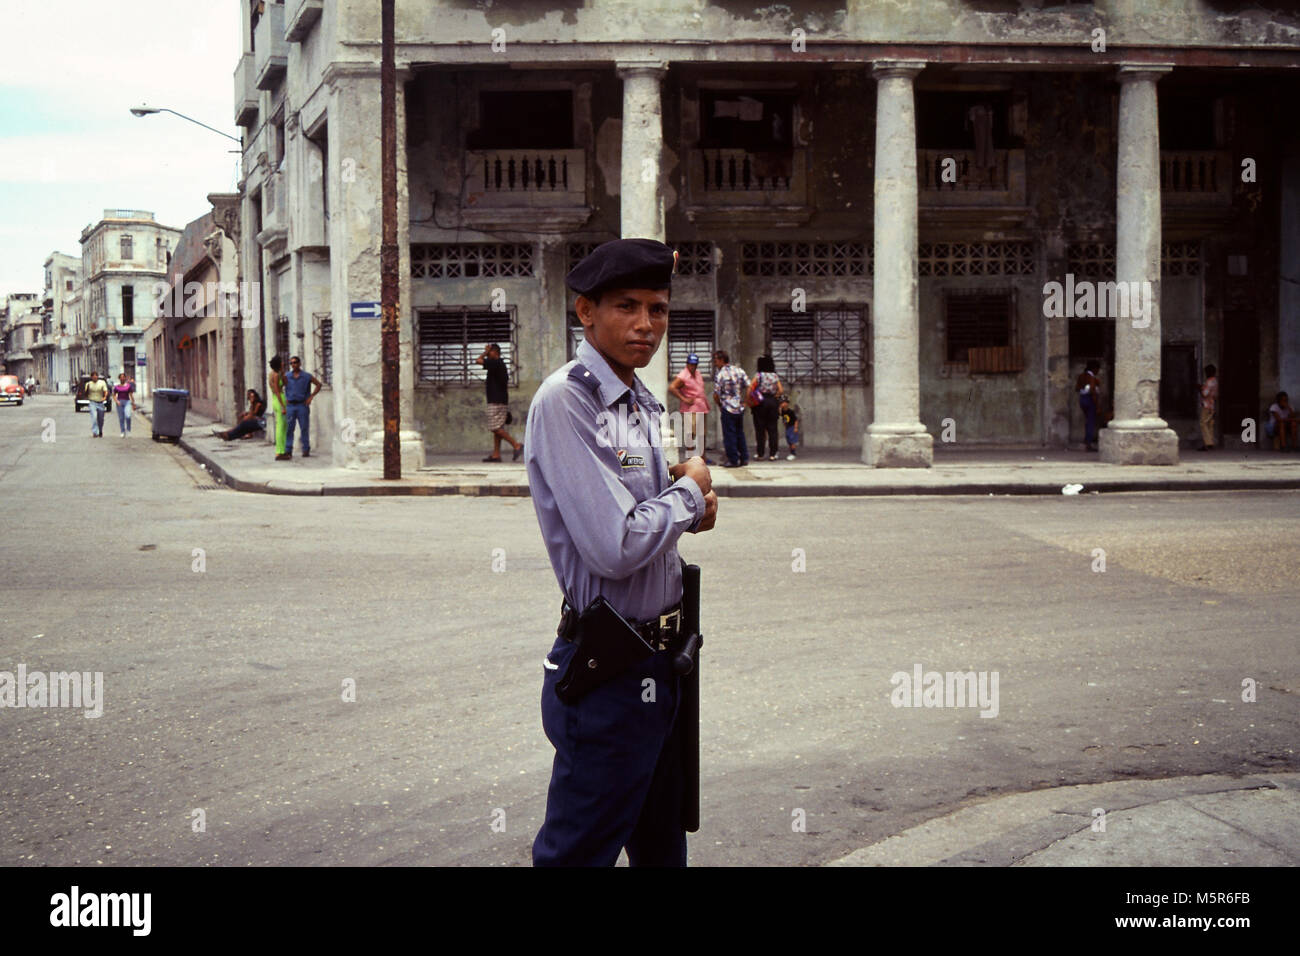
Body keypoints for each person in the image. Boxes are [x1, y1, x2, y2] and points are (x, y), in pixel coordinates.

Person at [525, 238, 717, 867]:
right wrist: (689, 494)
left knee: (663, 849)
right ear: (586, 311)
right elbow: (615, 544)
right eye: (627, 307)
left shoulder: (639, 399)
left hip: (663, 664)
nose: (645, 324)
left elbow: (642, 511)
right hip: (609, 668)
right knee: (578, 855)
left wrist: (687, 509)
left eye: (658, 309)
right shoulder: (568, 400)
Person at [476, 343, 522, 462]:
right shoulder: (498, 364)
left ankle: (516, 445)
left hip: (496, 401)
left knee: (494, 427)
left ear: (495, 352)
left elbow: (478, 360)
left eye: (490, 352)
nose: (488, 354)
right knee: (497, 428)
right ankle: (496, 455)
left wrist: (485, 352)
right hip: (498, 399)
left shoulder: (496, 363)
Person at [668, 352, 710, 462]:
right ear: (687, 364)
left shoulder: (698, 373)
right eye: (691, 364)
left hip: (701, 407)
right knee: (690, 433)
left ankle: (702, 457)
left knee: (702, 434)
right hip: (690, 409)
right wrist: (684, 399)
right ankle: (691, 458)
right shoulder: (683, 375)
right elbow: (672, 388)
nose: (693, 366)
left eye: (695, 364)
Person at [711, 349, 750, 468]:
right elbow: (749, 387)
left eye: (716, 360)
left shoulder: (720, 374)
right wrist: (745, 402)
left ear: (722, 360)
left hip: (727, 408)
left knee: (729, 435)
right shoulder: (739, 370)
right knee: (739, 433)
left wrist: (720, 405)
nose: (715, 363)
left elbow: (716, 394)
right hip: (739, 407)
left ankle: (733, 460)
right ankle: (744, 457)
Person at [282, 355, 322, 458]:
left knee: (304, 427)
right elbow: (279, 387)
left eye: (295, 362)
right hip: (290, 405)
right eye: (291, 363)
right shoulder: (287, 376)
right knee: (289, 428)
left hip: (302, 405)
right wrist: (284, 399)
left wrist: (311, 397)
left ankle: (305, 449)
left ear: (299, 364)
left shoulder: (306, 376)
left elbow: (318, 384)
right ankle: (288, 450)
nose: (293, 365)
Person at [750, 354, 784, 461]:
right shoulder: (774, 376)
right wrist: (775, 396)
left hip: (761, 402)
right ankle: (773, 454)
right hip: (772, 402)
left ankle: (760, 454)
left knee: (760, 429)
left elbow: (751, 387)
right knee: (772, 429)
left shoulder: (759, 375)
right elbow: (781, 390)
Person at [1076, 360, 1101, 452]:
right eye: (1097, 369)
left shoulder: (1081, 376)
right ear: (1094, 369)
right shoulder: (1092, 378)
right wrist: (1097, 405)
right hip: (1090, 400)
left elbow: (1077, 388)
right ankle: (1088, 443)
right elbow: (1092, 391)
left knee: (1087, 421)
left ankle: (1087, 441)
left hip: (1082, 399)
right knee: (1091, 421)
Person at [268, 355, 289, 461]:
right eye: (281, 362)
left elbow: (285, 382)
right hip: (279, 398)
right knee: (281, 426)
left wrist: (283, 372)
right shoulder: (275, 375)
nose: (283, 363)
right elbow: (277, 389)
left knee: (283, 425)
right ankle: (279, 451)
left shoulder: (274, 374)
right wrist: (282, 406)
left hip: (276, 399)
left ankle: (282, 450)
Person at [111, 372, 138, 438]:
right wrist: (116, 401)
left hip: (127, 402)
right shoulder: (116, 387)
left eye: (123, 377)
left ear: (125, 378)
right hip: (119, 402)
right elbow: (114, 395)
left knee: (128, 416)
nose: (122, 378)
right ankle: (122, 431)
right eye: (121, 377)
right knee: (121, 418)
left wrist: (133, 404)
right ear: (119, 378)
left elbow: (131, 395)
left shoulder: (128, 386)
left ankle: (128, 430)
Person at [84, 371, 109, 438]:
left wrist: (104, 397)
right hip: (92, 402)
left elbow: (105, 391)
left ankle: (100, 430)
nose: (95, 377)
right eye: (93, 376)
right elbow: (86, 393)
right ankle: (95, 432)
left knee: (101, 419)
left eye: (96, 376)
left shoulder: (102, 383)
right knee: (94, 417)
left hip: (100, 402)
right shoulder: (88, 384)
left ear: (97, 376)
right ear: (91, 377)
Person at [1199, 364, 1218, 451]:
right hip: (1212, 404)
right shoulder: (1215, 381)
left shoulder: (1209, 381)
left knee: (1203, 423)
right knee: (1210, 424)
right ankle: (1211, 442)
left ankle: (1208, 443)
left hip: (1206, 405)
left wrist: (1200, 388)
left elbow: (1205, 393)